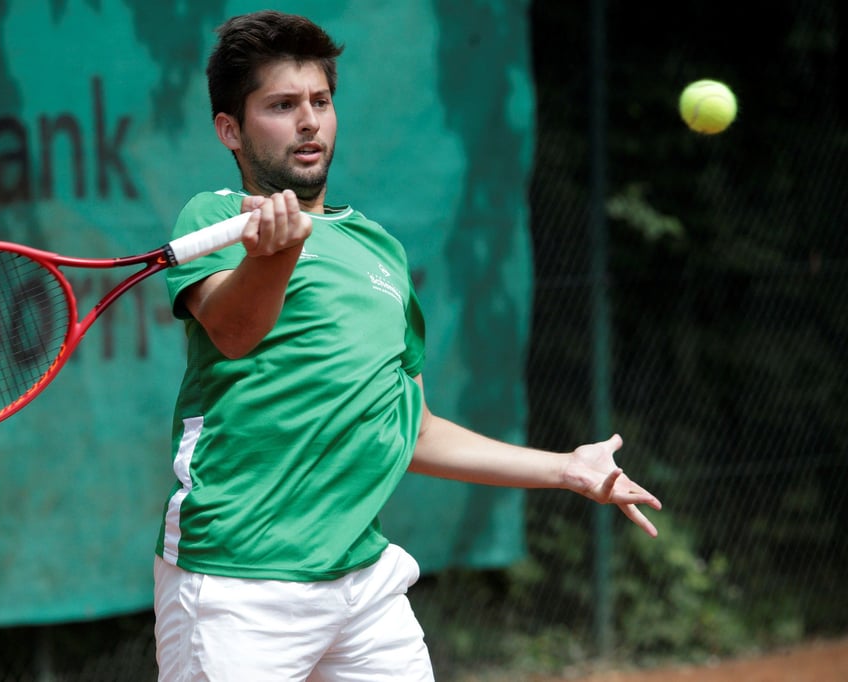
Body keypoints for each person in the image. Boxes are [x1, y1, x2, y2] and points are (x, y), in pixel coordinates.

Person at [154, 10, 661, 682]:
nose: (309, 121)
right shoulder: (216, 219)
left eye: (321, 102)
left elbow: (413, 431)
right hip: (238, 585)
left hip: (362, 583)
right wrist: (275, 254)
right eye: (281, 105)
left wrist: (565, 469)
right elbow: (234, 330)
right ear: (231, 129)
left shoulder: (379, 251)